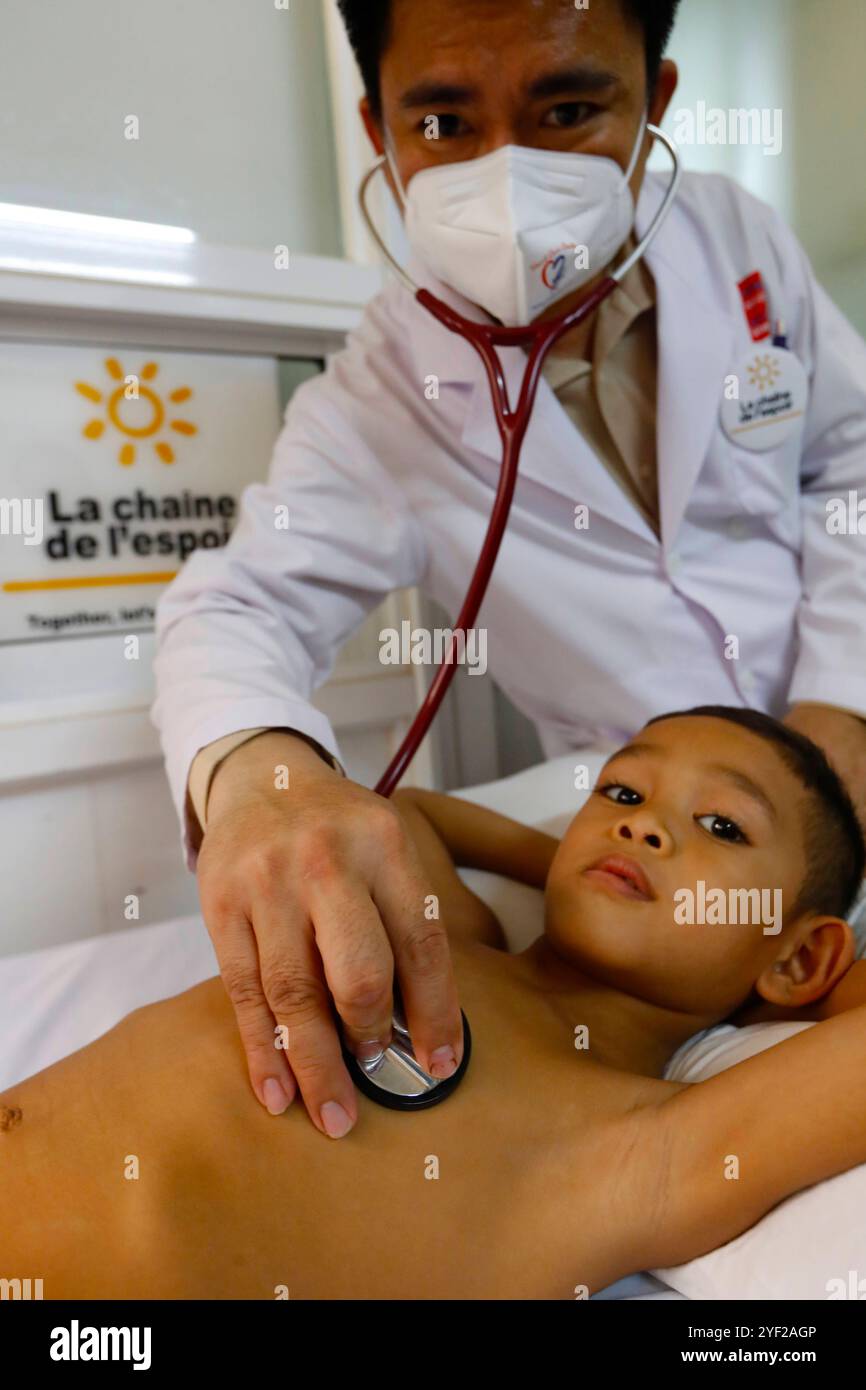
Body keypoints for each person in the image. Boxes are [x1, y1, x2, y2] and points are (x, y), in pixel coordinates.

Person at [151, 0, 866, 1138]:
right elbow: (234, 606)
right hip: (646, 833)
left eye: (567, 109)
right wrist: (263, 783)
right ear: (377, 130)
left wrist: (843, 703)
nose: (505, 174)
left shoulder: (736, 243)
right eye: (440, 119)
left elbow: (848, 459)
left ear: (657, 105)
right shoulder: (379, 402)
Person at [4, 708, 866, 1298]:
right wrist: (578, 868)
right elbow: (412, 814)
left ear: (799, 956)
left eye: (722, 826)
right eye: (622, 793)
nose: (643, 825)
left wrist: (819, 971)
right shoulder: (444, 943)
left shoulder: (644, 1152)